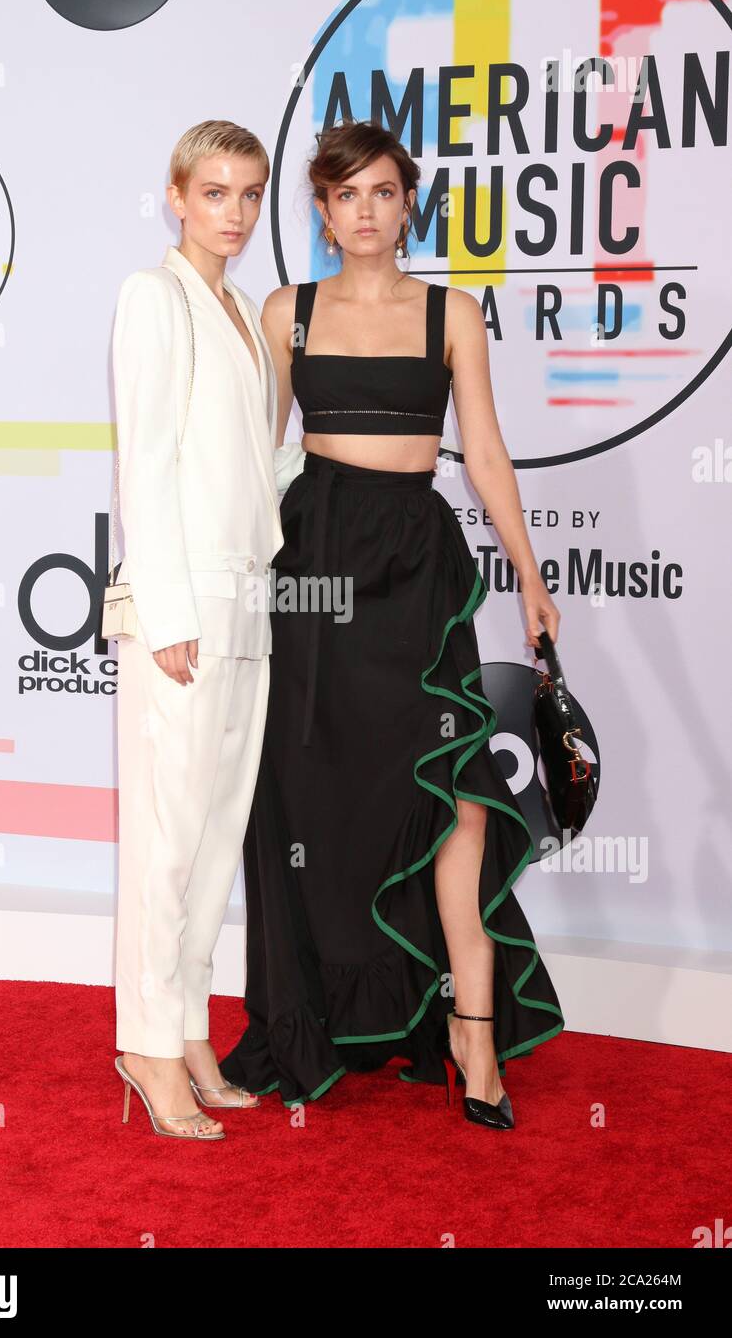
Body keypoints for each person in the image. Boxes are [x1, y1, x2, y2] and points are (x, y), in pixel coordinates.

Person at [219, 119, 565, 1129]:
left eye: (380, 191)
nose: (364, 211)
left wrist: (530, 578)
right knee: (308, 795)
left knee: (452, 792)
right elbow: (254, 460)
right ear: (320, 213)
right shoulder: (285, 310)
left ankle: (471, 1029)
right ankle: (315, 1013)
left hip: (415, 571)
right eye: (343, 195)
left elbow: (487, 456)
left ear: (404, 201)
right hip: (312, 570)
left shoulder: (451, 314)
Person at [112, 120, 284, 1141]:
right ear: (175, 195)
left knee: (213, 839)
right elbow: (150, 467)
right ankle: (141, 1039)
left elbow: (240, 472)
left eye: (248, 194)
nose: (232, 212)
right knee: (167, 841)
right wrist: (169, 614)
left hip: (246, 602)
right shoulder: (156, 297)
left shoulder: (237, 314)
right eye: (213, 192)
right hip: (182, 610)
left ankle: (183, 1031)